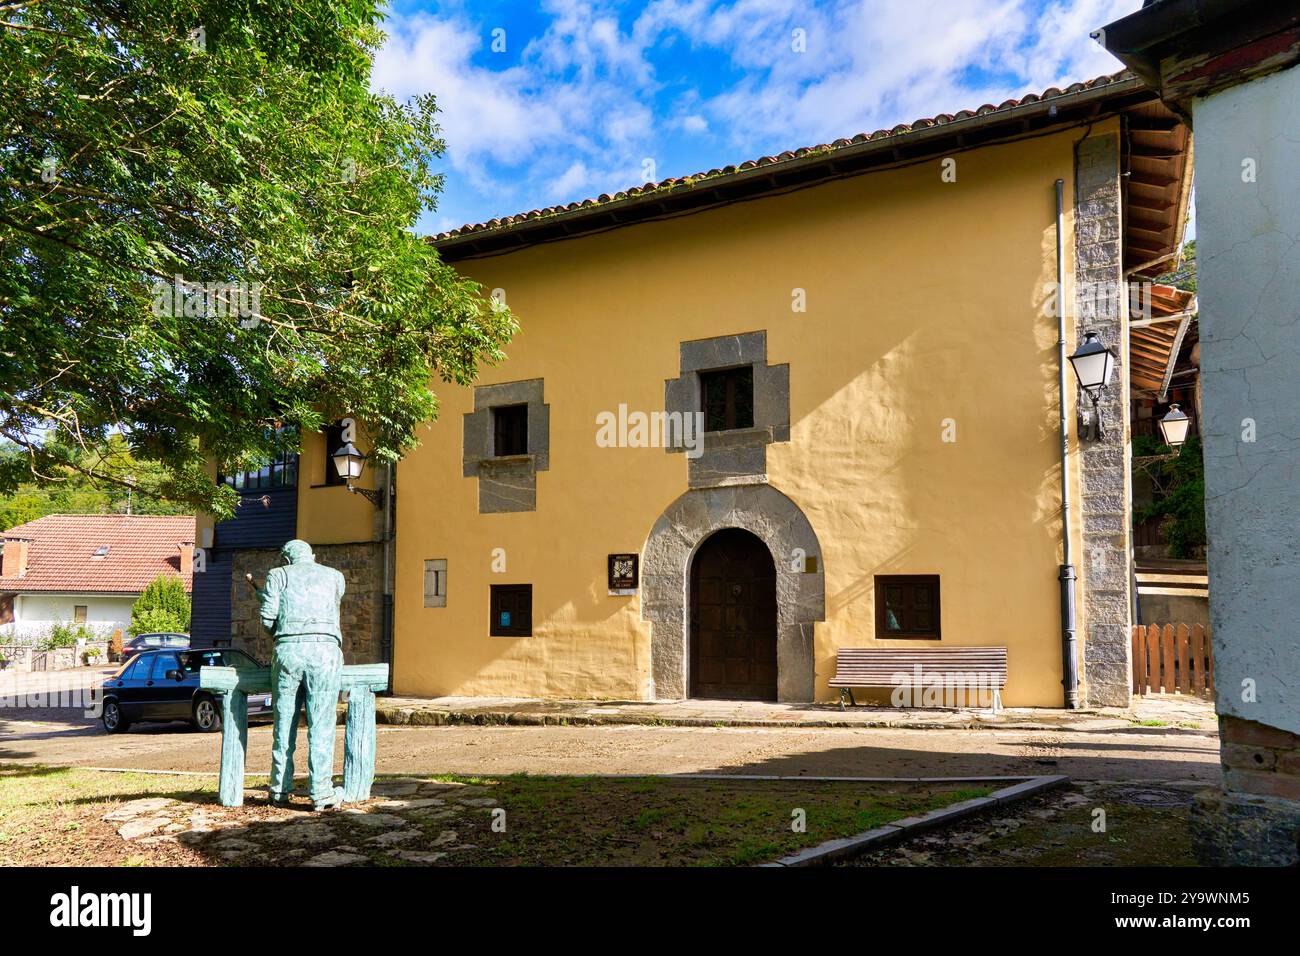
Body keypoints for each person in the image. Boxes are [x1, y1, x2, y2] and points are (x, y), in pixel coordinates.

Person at [257, 539, 346, 810]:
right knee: (321, 723)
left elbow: (267, 619)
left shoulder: (278, 575)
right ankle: (320, 792)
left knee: (284, 724)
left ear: (286, 559)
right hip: (325, 652)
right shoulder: (335, 577)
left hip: (288, 652)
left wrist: (284, 637)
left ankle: (279, 789)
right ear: (313, 556)